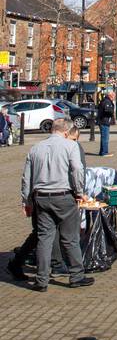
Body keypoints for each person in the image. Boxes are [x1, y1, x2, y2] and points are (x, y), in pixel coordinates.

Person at [19, 119, 94, 291]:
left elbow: (26, 178)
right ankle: (76, 276)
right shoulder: (70, 146)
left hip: (41, 197)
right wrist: (79, 191)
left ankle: (41, 280)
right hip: (63, 196)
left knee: (44, 239)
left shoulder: (36, 148)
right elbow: (77, 168)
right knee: (70, 238)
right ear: (67, 132)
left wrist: (26, 201)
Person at [97, 89, 115, 157]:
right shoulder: (107, 101)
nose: (114, 97)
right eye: (113, 95)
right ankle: (104, 152)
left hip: (104, 121)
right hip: (104, 121)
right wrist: (112, 113)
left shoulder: (105, 100)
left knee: (104, 137)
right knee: (105, 138)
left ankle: (102, 151)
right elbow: (107, 110)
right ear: (110, 95)